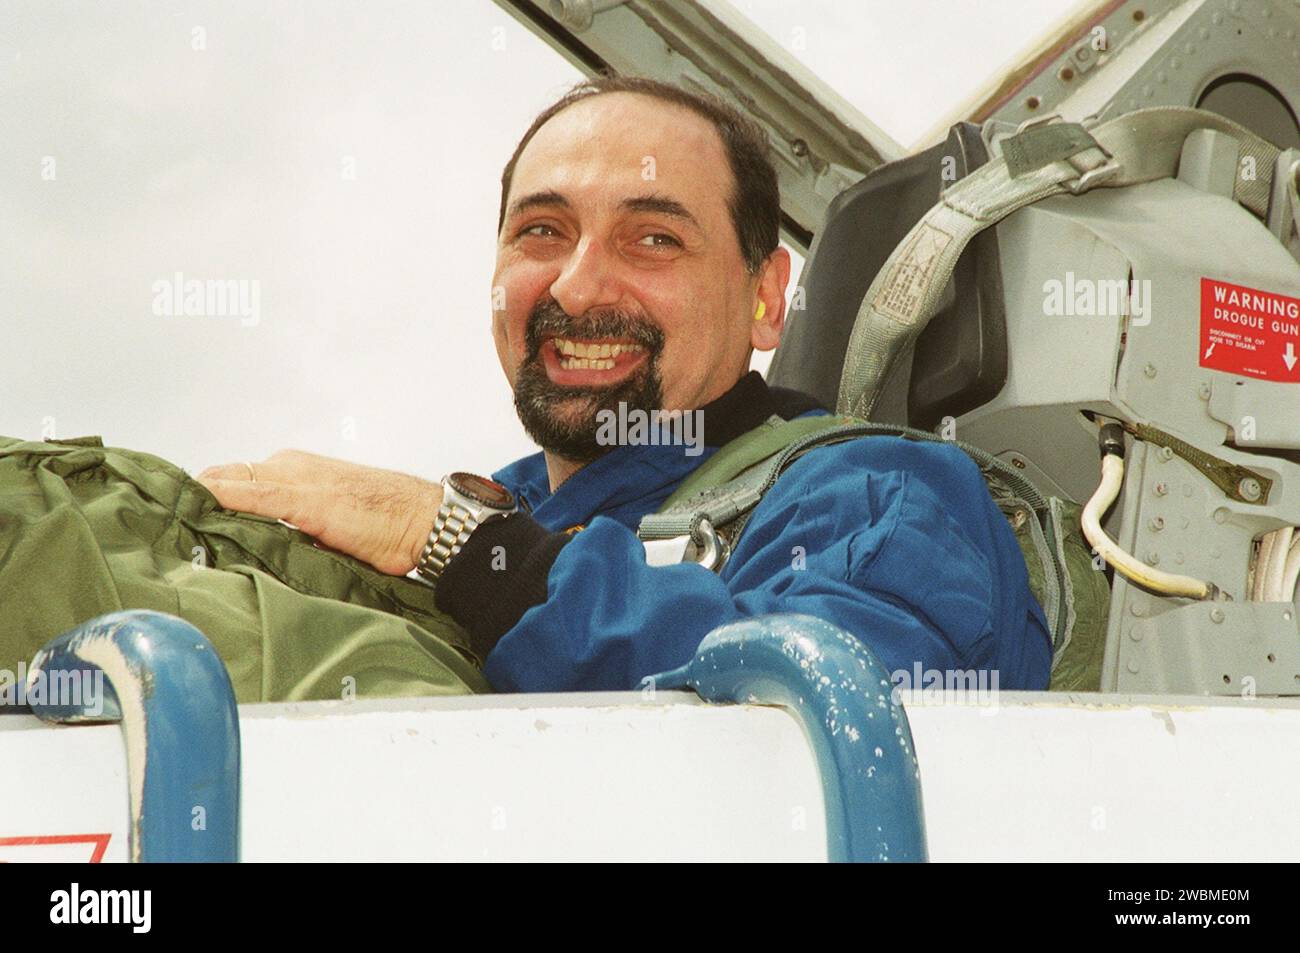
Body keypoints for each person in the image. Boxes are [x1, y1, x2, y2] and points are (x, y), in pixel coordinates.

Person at [198, 76, 1052, 693]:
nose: (576, 287)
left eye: (652, 239)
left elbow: (823, 711)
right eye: (542, 230)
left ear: (764, 299)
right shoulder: (513, 511)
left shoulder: (881, 496)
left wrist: (461, 546)